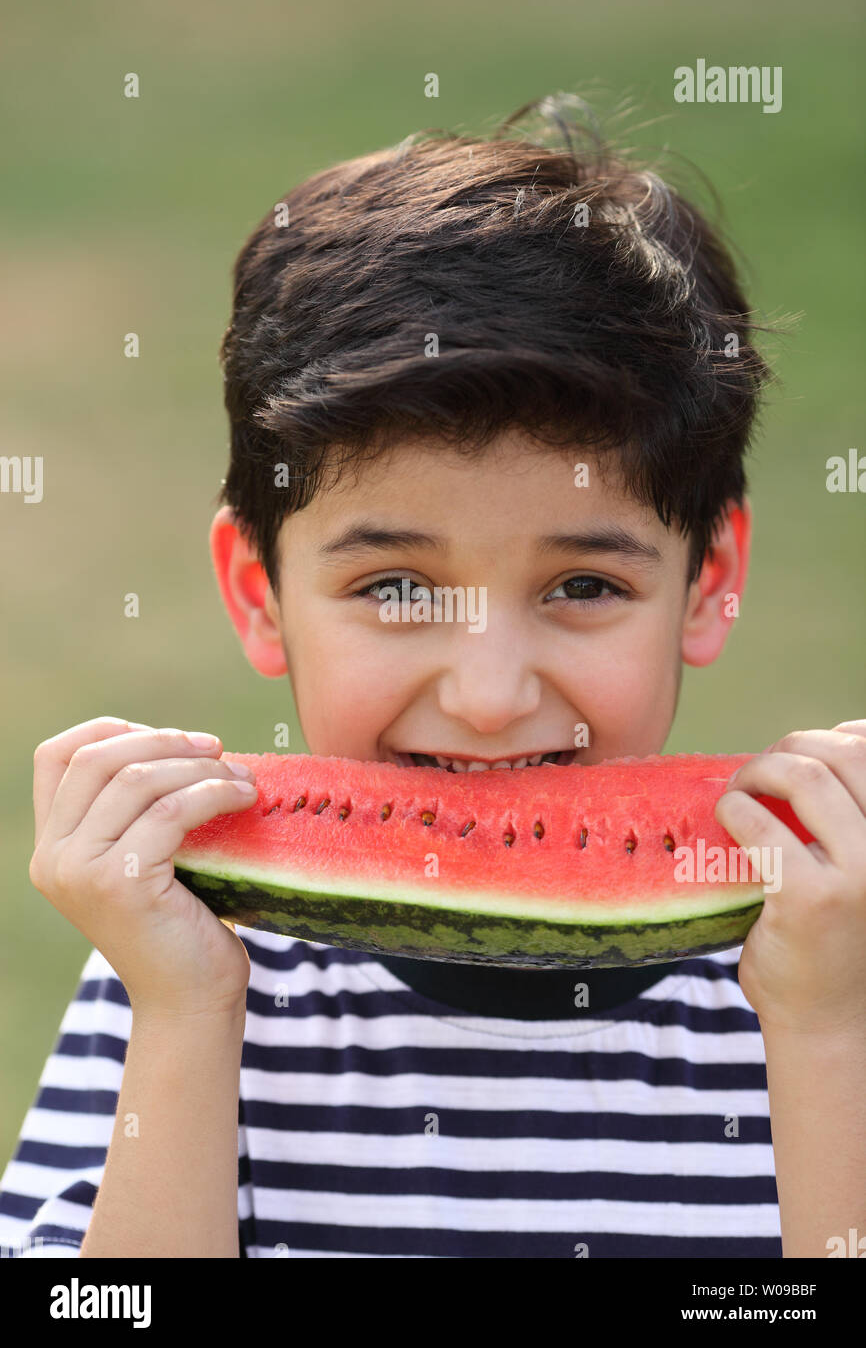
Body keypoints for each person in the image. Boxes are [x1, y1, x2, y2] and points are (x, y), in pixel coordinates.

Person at [1, 95, 863, 1259]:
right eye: (397, 591)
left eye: (582, 587)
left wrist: (819, 1032)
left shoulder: (830, 967)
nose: (489, 693)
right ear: (259, 594)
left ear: (708, 580)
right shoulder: (174, 970)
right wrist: (185, 1017)